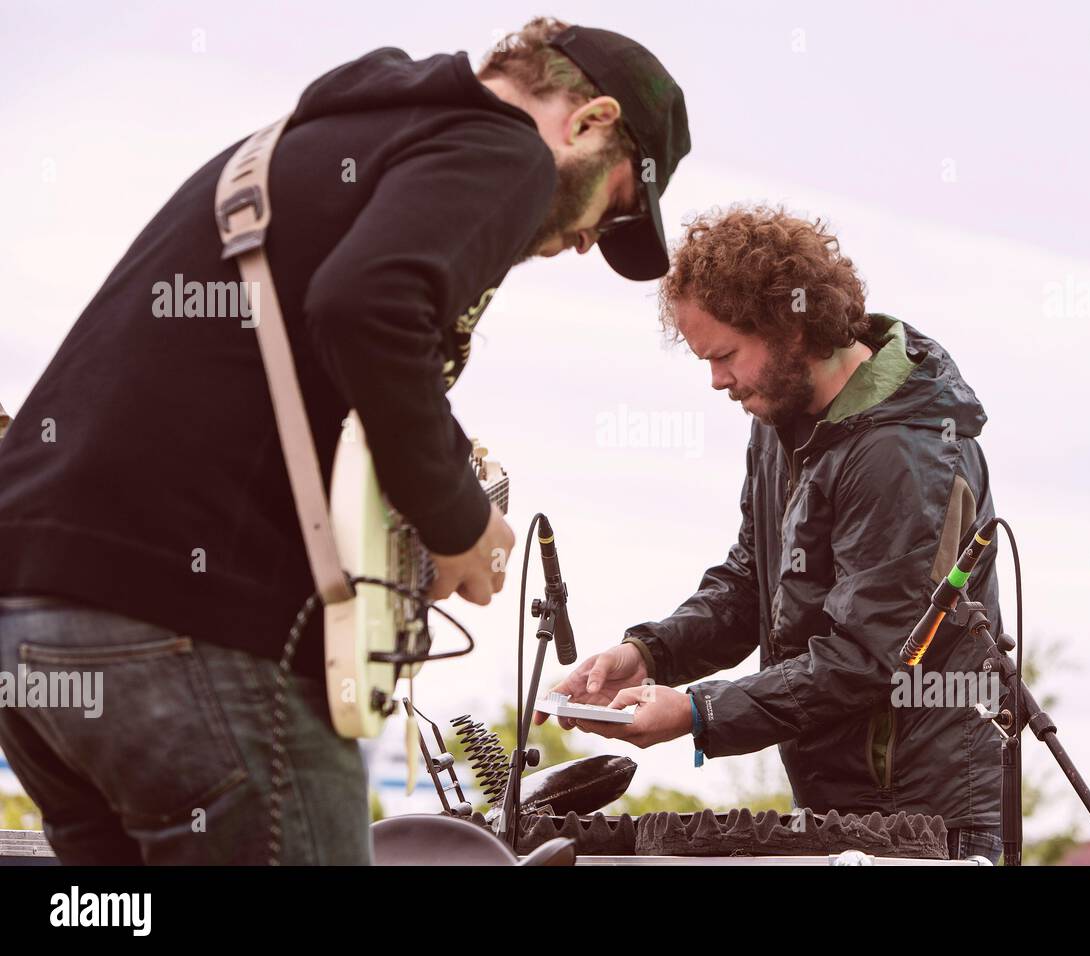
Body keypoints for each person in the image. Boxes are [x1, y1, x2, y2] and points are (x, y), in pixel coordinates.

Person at [0, 17, 691, 864]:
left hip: (34, 624)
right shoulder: (502, 143)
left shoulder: (324, 142)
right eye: (615, 204)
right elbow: (366, 308)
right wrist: (455, 519)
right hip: (188, 635)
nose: (590, 239)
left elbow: (321, 343)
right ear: (588, 122)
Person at [538, 206, 1006, 863]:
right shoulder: (780, 419)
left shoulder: (904, 453)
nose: (716, 380)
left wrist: (697, 713)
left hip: (927, 827)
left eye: (726, 355)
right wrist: (646, 655)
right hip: (844, 810)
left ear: (789, 326)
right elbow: (748, 584)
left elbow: (869, 658)